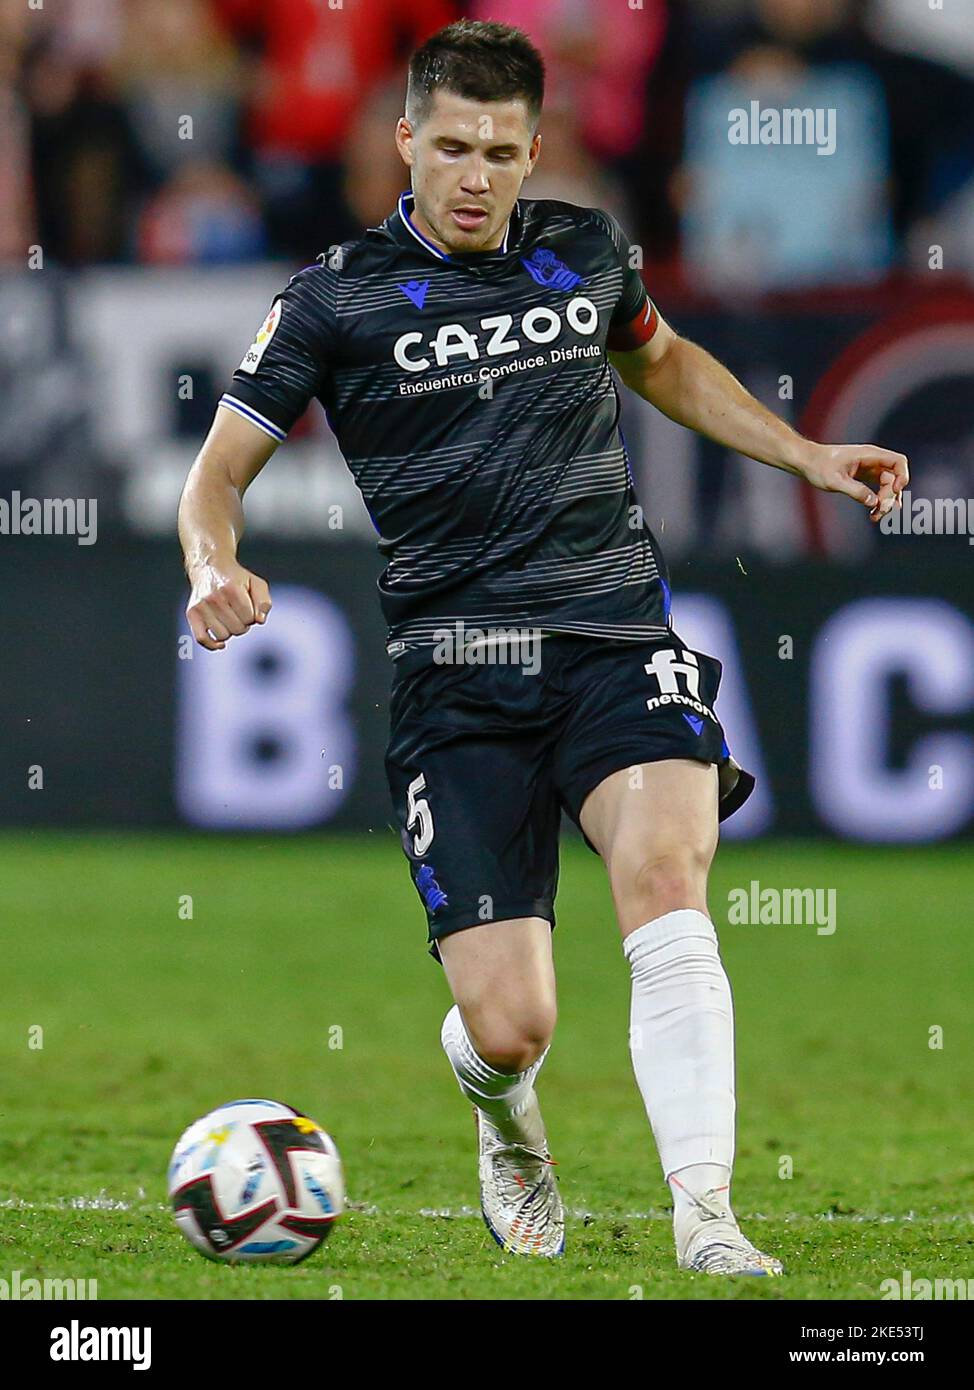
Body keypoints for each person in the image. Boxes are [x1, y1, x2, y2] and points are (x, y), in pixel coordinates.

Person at [178, 19, 908, 1275]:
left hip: (612, 630)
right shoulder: (331, 297)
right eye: (452, 146)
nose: (476, 175)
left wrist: (803, 452)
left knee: (666, 879)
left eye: (502, 152)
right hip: (456, 672)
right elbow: (217, 475)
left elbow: (662, 358)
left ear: (533, 151)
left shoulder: (583, 251)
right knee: (510, 1024)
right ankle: (504, 1122)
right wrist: (213, 563)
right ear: (405, 139)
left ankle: (706, 1215)